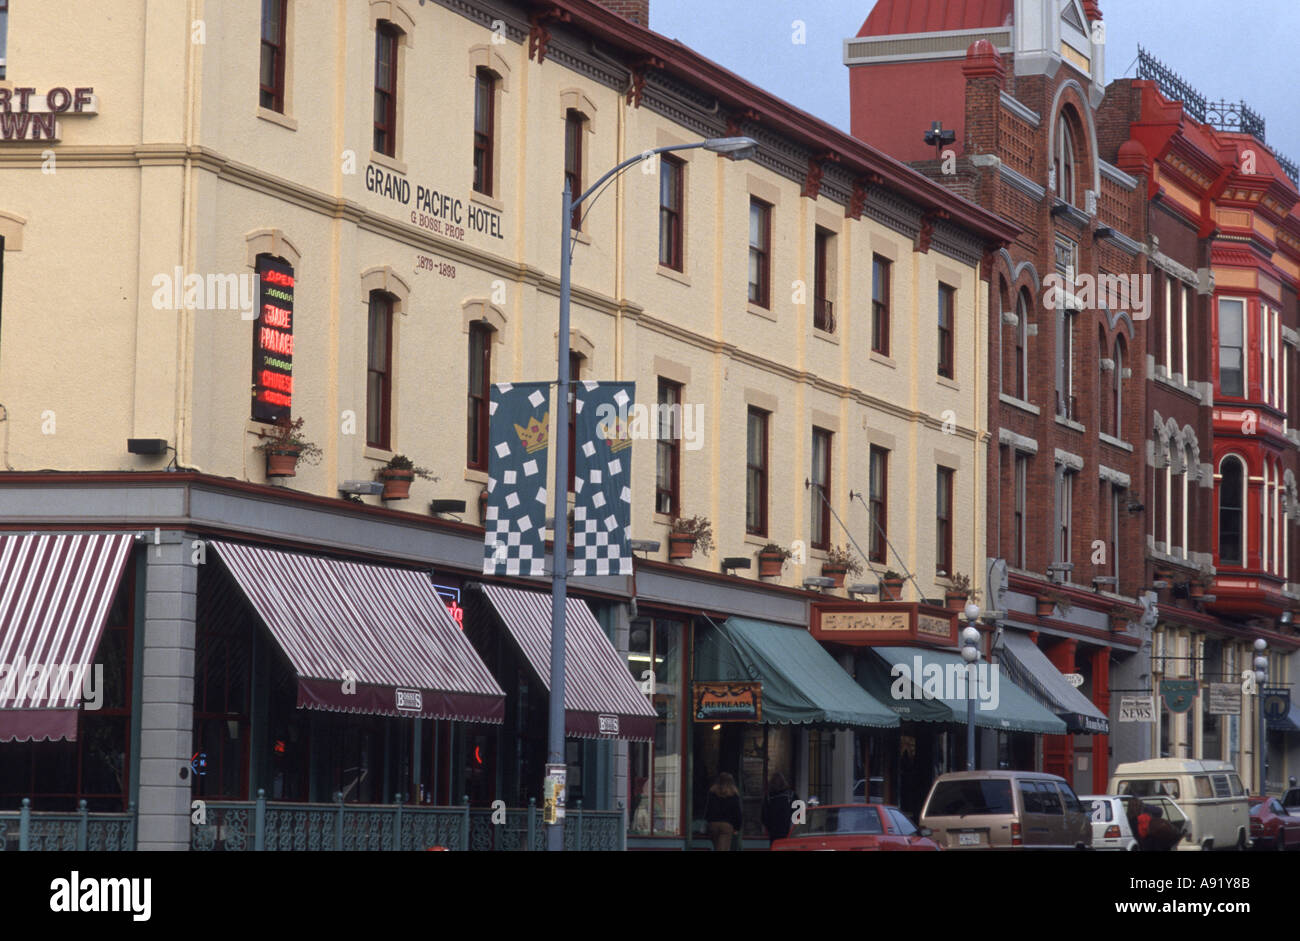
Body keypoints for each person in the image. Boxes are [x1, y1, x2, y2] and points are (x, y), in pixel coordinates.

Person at [703, 772, 742, 851]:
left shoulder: (712, 793)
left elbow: (708, 810)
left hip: (713, 824)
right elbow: (737, 813)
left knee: (717, 847)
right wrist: (737, 827)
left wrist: (708, 821)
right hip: (727, 825)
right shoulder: (733, 795)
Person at [761, 773, 797, 844]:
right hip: (788, 831)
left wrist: (769, 828)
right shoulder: (791, 795)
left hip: (774, 832)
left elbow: (763, 816)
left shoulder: (768, 797)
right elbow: (799, 812)